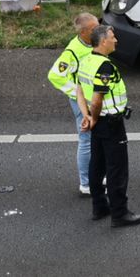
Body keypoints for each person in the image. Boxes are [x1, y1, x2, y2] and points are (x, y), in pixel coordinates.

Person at [77, 24, 140, 227]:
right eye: (113, 37)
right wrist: (94, 117)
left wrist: (86, 116)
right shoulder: (105, 67)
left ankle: (99, 207)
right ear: (103, 41)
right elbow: (97, 99)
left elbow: (78, 90)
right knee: (117, 170)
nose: (116, 40)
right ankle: (120, 214)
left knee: (97, 165)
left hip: (97, 121)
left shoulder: (85, 60)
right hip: (110, 123)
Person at [47, 12, 96, 196]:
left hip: (94, 100)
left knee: (96, 139)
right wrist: (77, 94)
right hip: (83, 103)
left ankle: (96, 175)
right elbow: (54, 76)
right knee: (86, 141)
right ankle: (86, 183)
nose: (98, 30)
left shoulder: (92, 43)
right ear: (84, 32)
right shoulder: (73, 52)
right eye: (94, 29)